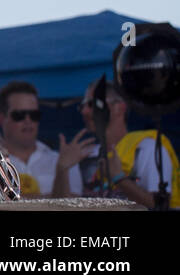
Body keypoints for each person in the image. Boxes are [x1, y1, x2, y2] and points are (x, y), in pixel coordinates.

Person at [70, 78, 178, 207]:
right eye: (82, 106)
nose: (84, 111)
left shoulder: (147, 148)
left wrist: (120, 179)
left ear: (119, 107)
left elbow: (162, 205)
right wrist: (61, 169)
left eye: (92, 104)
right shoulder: (83, 155)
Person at [0, 80, 65, 197]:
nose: (28, 121)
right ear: (2, 118)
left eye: (34, 115)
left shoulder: (59, 161)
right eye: (19, 115)